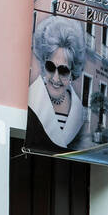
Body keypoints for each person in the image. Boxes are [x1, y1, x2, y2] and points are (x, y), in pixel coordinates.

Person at [26, 16, 87, 153]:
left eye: (64, 70)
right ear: (43, 63)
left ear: (73, 72)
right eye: (50, 66)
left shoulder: (79, 113)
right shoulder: (31, 101)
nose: (55, 78)